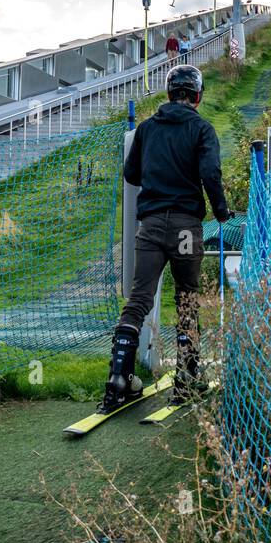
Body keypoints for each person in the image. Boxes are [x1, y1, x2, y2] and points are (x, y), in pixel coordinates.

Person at [99, 64, 230, 412]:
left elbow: (131, 174)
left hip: (152, 226)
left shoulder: (145, 129)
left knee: (138, 299)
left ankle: (118, 381)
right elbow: (210, 173)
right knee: (186, 297)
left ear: (169, 93)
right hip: (187, 228)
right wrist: (220, 211)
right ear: (197, 96)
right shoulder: (202, 129)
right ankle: (186, 380)